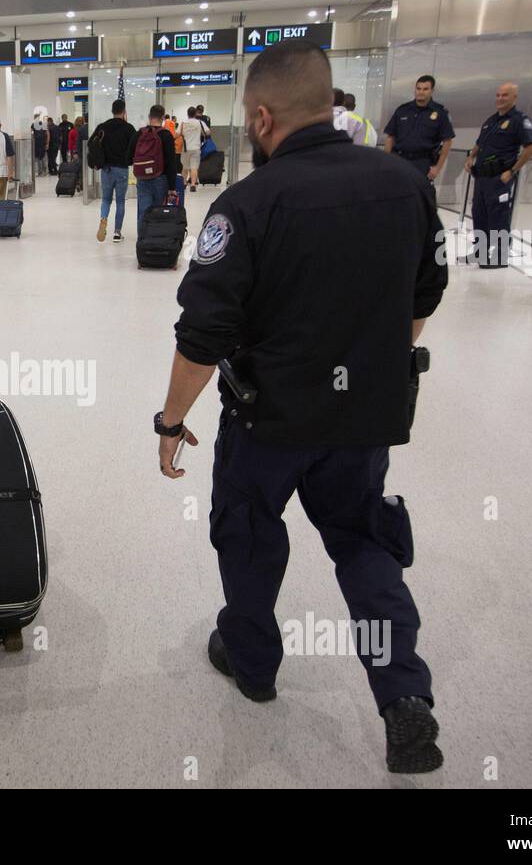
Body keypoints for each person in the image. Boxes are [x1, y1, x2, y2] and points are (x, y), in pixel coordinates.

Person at [153, 39, 448, 774]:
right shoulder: (404, 184)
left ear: (260, 117)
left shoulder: (247, 204)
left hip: (269, 419)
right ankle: (404, 697)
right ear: (331, 103)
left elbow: (203, 332)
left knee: (249, 532)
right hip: (364, 421)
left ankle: (252, 664)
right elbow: (426, 294)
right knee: (362, 542)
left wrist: (169, 420)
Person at [463, 82, 532, 268]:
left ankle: (500, 257)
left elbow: (531, 147)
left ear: (514, 98)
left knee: (498, 217)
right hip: (482, 178)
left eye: (505, 95)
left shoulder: (520, 120)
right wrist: (470, 157)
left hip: (500, 178)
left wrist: (513, 171)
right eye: (498, 95)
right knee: (479, 214)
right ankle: (480, 252)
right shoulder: (491, 121)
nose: (500, 98)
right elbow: (479, 144)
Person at [384, 75, 454, 187]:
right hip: (399, 160)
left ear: (432, 91)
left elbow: (447, 141)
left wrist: (437, 168)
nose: (421, 92)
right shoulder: (403, 110)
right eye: (418, 88)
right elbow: (390, 136)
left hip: (423, 163)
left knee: (418, 200)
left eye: (425, 89)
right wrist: (386, 162)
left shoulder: (440, 113)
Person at [91, 98, 137, 243]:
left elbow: (92, 143)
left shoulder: (102, 127)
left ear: (112, 111)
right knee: (120, 201)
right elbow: (134, 148)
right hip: (122, 169)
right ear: (124, 112)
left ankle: (104, 219)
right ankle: (117, 232)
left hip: (106, 169)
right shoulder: (129, 128)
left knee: (106, 199)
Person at [133, 104, 180, 235]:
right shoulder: (166, 135)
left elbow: (129, 155)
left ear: (149, 117)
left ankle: (142, 243)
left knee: (143, 212)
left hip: (142, 178)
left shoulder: (140, 133)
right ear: (162, 118)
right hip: (160, 178)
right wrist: (172, 187)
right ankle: (156, 241)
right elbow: (172, 162)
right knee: (158, 212)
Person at [179, 106, 209, 191]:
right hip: (196, 148)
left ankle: (184, 184)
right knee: (194, 167)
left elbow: (177, 134)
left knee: (185, 167)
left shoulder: (183, 123)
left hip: (185, 148)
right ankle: (193, 185)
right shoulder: (200, 122)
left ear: (187, 114)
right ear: (195, 114)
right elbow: (208, 132)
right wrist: (200, 132)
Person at [31, 112, 49, 178]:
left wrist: (47, 143)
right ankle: (40, 171)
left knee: (42, 157)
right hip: (38, 143)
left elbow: (46, 134)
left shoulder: (42, 124)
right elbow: (32, 133)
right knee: (39, 158)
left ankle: (43, 171)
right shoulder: (34, 125)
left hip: (41, 143)